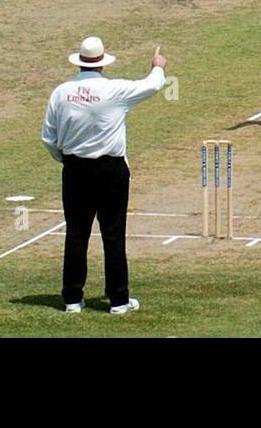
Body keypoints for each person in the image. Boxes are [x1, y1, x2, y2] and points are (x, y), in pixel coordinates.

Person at [41, 36, 167, 314]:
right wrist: (157, 65)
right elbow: (153, 84)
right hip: (110, 170)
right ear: (101, 64)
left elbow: (48, 137)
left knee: (76, 233)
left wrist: (67, 160)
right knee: (113, 234)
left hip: (75, 170)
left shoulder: (61, 92)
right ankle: (119, 300)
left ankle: (73, 298)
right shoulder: (114, 90)